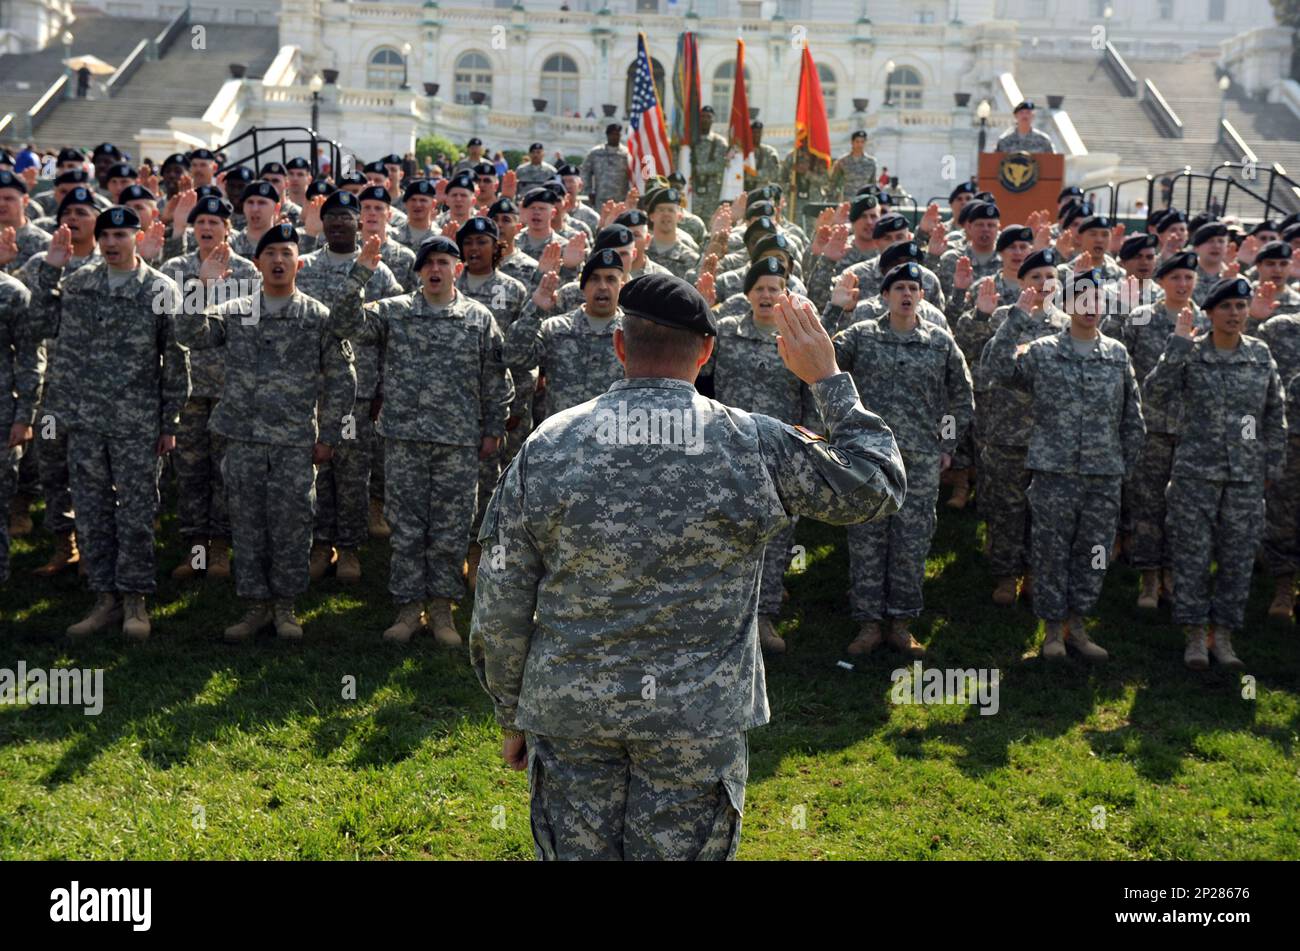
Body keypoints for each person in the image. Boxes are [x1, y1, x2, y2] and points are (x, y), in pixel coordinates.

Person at [469, 275, 905, 861]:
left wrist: (510, 711)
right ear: (706, 353)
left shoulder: (550, 443)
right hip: (694, 720)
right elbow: (877, 484)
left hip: (572, 712)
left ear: (620, 346)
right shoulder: (751, 442)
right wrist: (827, 380)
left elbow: (500, 601)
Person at [174, 224, 357, 643]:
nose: (278, 260)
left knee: (293, 524)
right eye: (270, 253)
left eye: (286, 253)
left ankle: (286, 607)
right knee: (248, 523)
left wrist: (328, 435)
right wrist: (201, 287)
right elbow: (188, 335)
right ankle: (256, 606)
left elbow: (342, 379)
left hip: (295, 442)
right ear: (257, 263)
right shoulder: (237, 310)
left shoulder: (317, 316)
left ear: (299, 262)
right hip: (243, 438)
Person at [330, 235, 513, 646]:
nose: (435, 269)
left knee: (450, 528)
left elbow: (494, 379)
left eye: (444, 262)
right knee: (408, 527)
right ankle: (409, 609)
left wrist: (492, 427)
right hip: (405, 440)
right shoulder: (394, 312)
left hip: (457, 442)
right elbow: (342, 323)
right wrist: (361, 270)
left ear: (457, 269)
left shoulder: (478, 318)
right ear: (418, 272)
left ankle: (443, 608)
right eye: (427, 263)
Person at [25, 207, 189, 640]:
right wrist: (49, 272)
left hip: (137, 423)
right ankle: (104, 598)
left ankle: (135, 599)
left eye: (120, 234)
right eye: (105, 236)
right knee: (94, 512)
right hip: (86, 420)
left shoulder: (159, 288)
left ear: (137, 237)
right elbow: (40, 326)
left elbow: (175, 359)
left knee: (136, 513)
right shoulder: (79, 284)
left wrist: (168, 420)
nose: (112, 243)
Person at [983, 269, 1145, 661]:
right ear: (1068, 305)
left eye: (1097, 299)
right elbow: (995, 370)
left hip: (1103, 477)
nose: (1091, 307)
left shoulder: (1116, 354)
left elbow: (1132, 419)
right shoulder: (1042, 352)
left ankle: (1079, 627)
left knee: (1093, 550)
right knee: (1051, 551)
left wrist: (1121, 467)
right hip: (1054, 474)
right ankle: (1053, 632)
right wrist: (1016, 319)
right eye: (1082, 299)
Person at [1144, 278, 1286, 669]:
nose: (1235, 314)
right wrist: (1175, 346)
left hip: (1244, 477)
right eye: (1226, 307)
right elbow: (1154, 393)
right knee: (1191, 556)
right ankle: (1193, 636)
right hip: (1195, 475)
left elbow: (1274, 413)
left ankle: (1222, 636)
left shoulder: (1259, 355)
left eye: (1241, 307)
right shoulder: (1190, 354)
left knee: (1237, 558)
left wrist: (1270, 464)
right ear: (1209, 313)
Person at [833, 262, 973, 656]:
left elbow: (961, 396)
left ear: (923, 296)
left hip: (920, 460)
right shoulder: (861, 336)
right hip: (867, 457)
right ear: (885, 296)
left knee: (912, 540)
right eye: (899, 288)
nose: (907, 294)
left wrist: (946, 445)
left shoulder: (940, 342)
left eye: (914, 287)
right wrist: (838, 309)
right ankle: (868, 624)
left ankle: (901, 622)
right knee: (866, 538)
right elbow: (822, 362)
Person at [295, 189, 403, 584]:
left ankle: (351, 548)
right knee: (319, 472)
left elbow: (394, 337)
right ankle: (322, 544)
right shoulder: (304, 269)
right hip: (316, 393)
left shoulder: (380, 271)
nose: (339, 222)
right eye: (332, 216)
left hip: (359, 396)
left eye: (347, 216)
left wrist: (382, 392)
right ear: (322, 223)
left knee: (354, 471)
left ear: (360, 222)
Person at [159, 195, 259, 582]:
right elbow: (169, 327)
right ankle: (196, 549)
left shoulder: (248, 273)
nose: (206, 228)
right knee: (191, 472)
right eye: (200, 222)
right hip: (187, 388)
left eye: (215, 223)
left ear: (227, 229)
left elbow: (250, 334)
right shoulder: (174, 268)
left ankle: (220, 548)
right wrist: (201, 284)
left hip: (230, 389)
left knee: (226, 474)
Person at [580, 124, 631, 207]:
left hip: (621, 200)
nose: (615, 137)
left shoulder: (627, 154)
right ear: (607, 135)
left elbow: (633, 175)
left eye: (617, 134)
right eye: (612, 134)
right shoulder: (596, 153)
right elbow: (584, 172)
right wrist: (588, 191)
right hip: (600, 199)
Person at [829, 131, 878, 202]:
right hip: (848, 201)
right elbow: (833, 182)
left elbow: (873, 184)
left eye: (862, 142)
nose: (860, 144)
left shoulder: (871, 162)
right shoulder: (843, 161)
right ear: (852, 143)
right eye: (857, 142)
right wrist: (834, 197)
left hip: (864, 201)